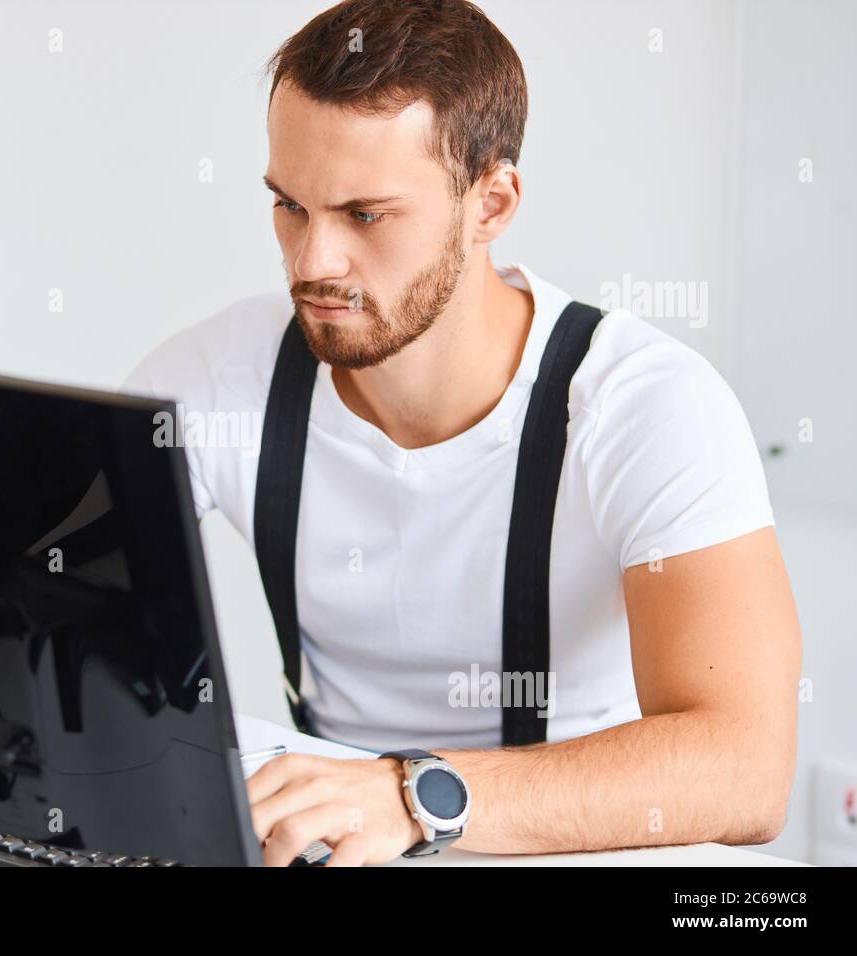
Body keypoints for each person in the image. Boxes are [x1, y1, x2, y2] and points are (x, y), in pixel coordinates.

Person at [123, 0, 801, 866]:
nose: (311, 263)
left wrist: (413, 795)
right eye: (290, 206)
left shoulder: (647, 405)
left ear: (492, 202)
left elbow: (745, 768)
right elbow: (39, 606)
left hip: (596, 845)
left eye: (365, 215)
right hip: (337, 843)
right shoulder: (219, 375)